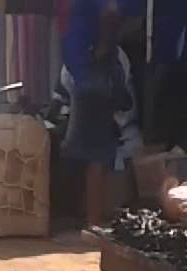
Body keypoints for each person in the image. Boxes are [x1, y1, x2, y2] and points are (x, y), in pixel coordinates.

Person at [60, 0, 141, 227]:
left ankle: (86, 215)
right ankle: (93, 223)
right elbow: (111, 11)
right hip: (93, 67)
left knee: (87, 147)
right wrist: (103, 49)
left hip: (82, 62)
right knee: (97, 151)